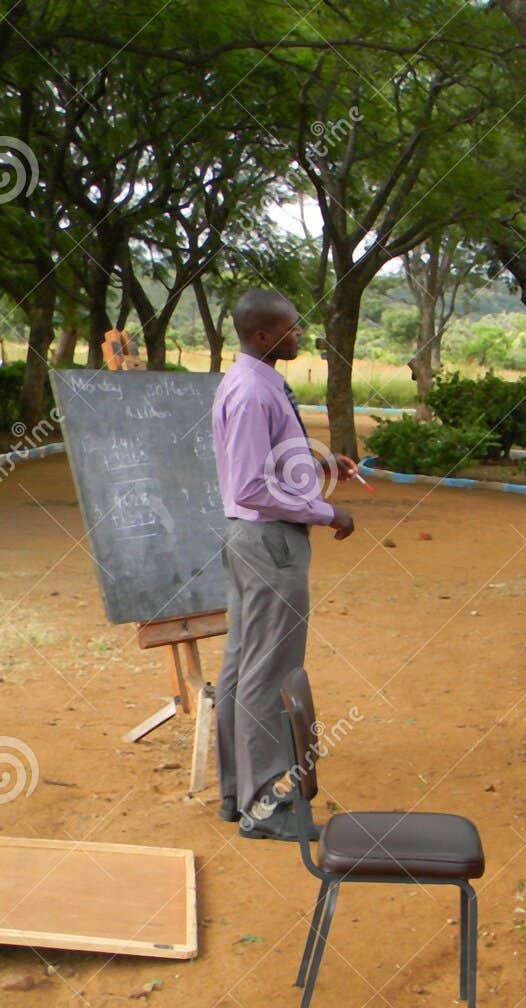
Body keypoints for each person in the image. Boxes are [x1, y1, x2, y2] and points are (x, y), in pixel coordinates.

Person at [212, 289, 357, 841]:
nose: (300, 335)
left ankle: (236, 795)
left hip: (252, 541)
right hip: (269, 543)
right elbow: (251, 487)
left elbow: (264, 463)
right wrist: (324, 510)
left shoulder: (253, 381)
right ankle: (265, 807)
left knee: (241, 666)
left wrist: (316, 460)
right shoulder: (253, 391)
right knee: (267, 674)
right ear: (263, 337)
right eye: (292, 329)